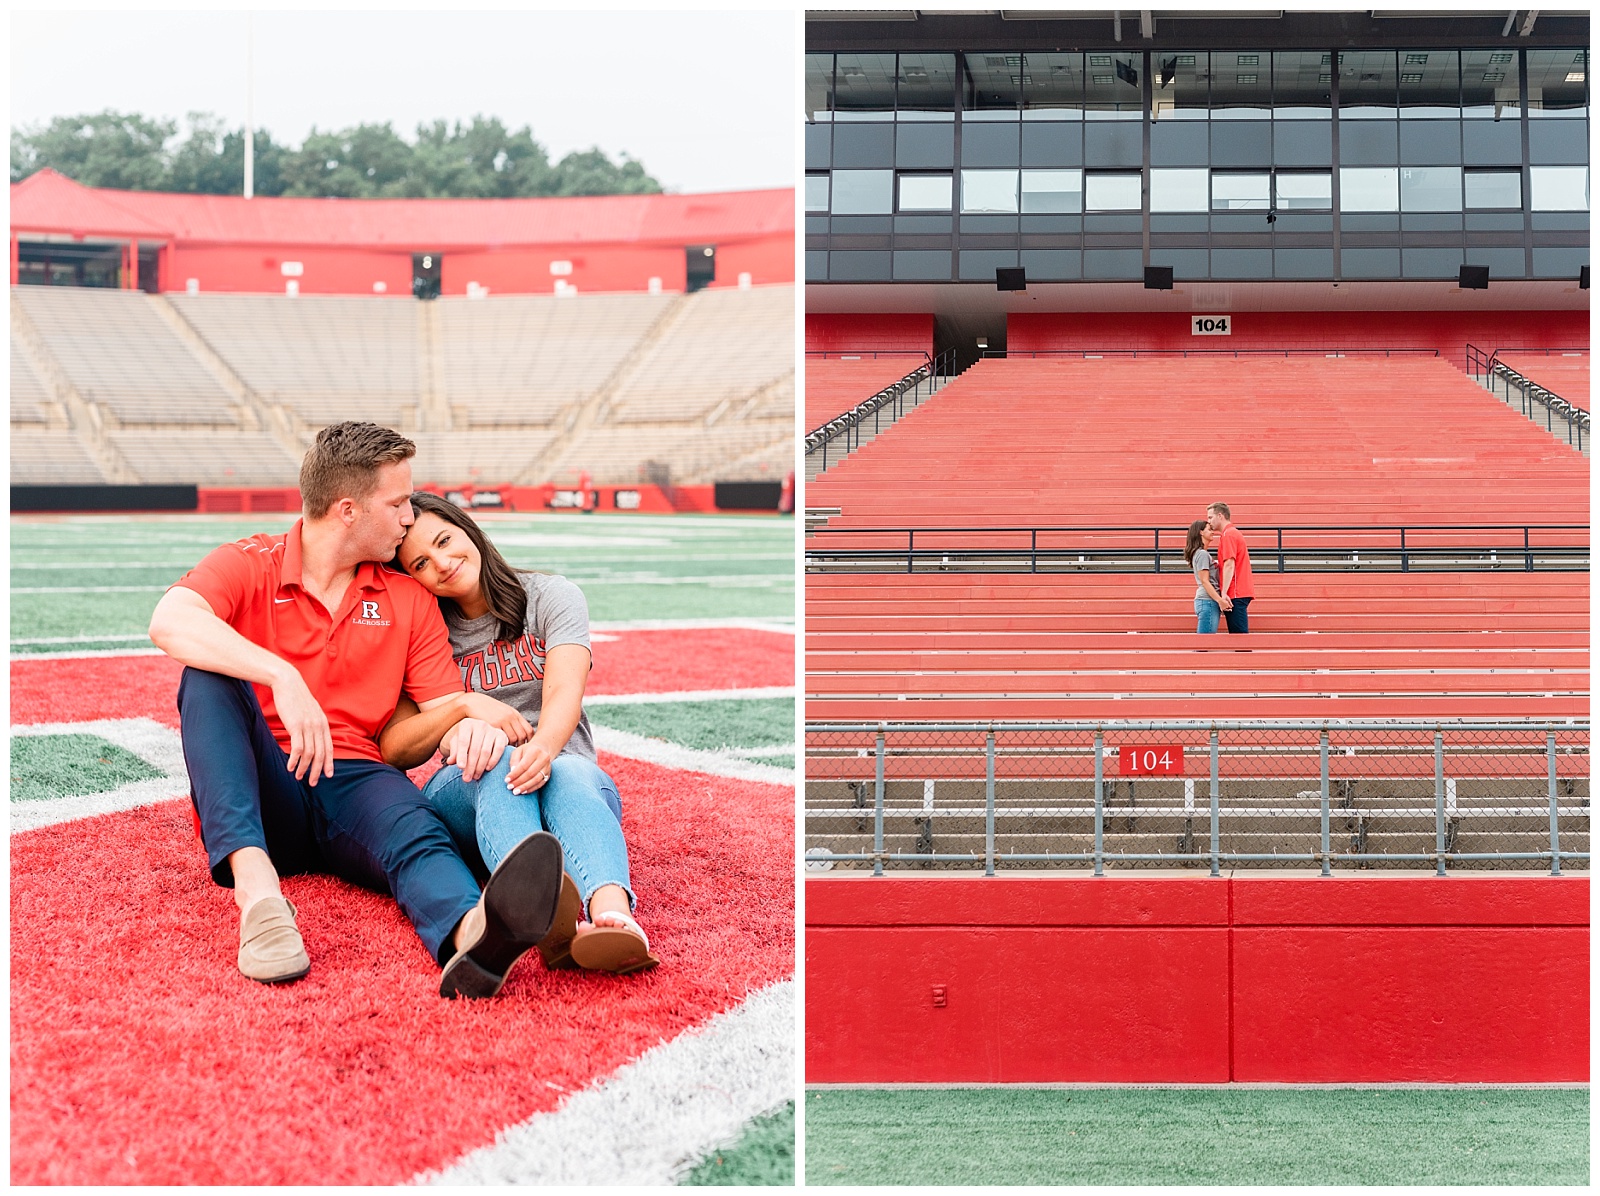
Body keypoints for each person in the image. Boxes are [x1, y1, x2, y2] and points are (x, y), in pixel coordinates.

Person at [148, 421, 565, 999]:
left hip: (357, 777)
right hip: (265, 785)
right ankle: (261, 899)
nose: (409, 518)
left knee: (417, 830)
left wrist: (469, 725)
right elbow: (169, 621)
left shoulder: (408, 597)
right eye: (397, 504)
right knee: (206, 676)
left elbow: (441, 709)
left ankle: (473, 934)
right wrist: (281, 675)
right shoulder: (251, 561)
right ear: (348, 510)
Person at [381, 491, 659, 975]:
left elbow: (565, 692)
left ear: (469, 530)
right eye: (421, 563)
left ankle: (614, 917)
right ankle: (541, 906)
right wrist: (461, 709)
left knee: (570, 771)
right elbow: (396, 746)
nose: (442, 564)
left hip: (566, 781)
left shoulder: (551, 596)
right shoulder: (423, 630)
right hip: (469, 790)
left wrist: (544, 749)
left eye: (444, 541)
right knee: (498, 764)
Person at [1205, 502, 1255, 634]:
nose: (1208, 521)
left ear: (1220, 516)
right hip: (1237, 591)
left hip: (1235, 592)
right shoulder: (1230, 533)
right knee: (1238, 635)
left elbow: (1229, 564)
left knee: (1239, 637)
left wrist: (1224, 593)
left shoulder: (1229, 534)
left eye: (1210, 517)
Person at [1184, 520, 1224, 634]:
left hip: (1207, 601)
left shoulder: (1201, 553)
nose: (1213, 532)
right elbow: (1205, 581)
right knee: (1205, 641)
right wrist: (1220, 600)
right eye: (1209, 529)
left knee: (1205, 640)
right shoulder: (1202, 554)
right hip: (1208, 601)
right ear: (1201, 532)